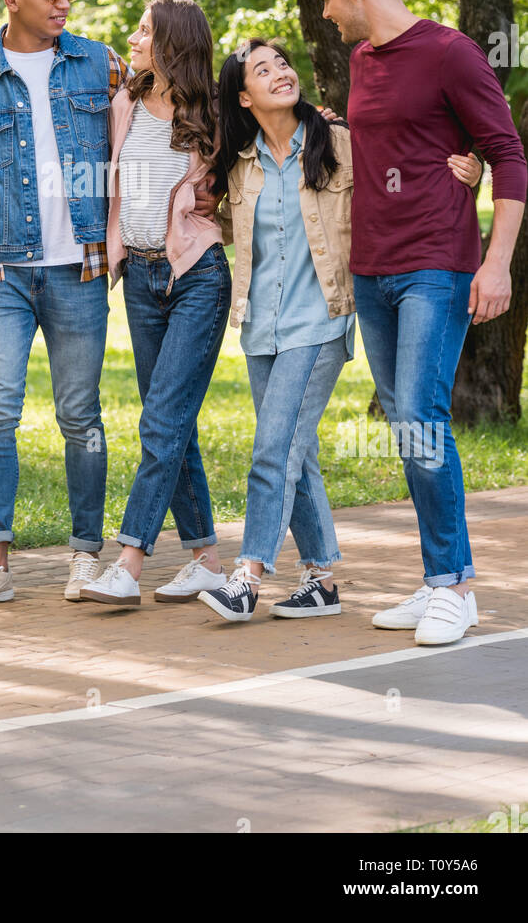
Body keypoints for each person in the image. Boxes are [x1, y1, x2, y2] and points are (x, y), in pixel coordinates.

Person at [198, 39, 482, 626]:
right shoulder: (239, 163)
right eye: (262, 69)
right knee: (297, 450)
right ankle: (321, 579)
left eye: (282, 62)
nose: (280, 72)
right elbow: (226, 225)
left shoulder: (341, 144)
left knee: (273, 449)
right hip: (261, 327)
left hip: (320, 320)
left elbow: (409, 173)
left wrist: (469, 170)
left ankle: (247, 575)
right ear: (244, 97)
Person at [313, 0, 527, 645]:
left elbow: (508, 156)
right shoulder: (360, 59)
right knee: (406, 422)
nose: (323, 13)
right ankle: (438, 577)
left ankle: (454, 586)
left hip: (436, 263)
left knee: (419, 419)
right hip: (372, 269)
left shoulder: (449, 53)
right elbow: (389, 146)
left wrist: (494, 263)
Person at [0, 0, 128, 606]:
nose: (63, 3)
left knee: (81, 416)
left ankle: (84, 557)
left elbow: (165, 118)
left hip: (78, 269)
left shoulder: (100, 64)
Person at [80, 0, 233, 607]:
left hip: (197, 277)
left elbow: (278, 135)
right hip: (141, 281)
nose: (133, 39)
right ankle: (206, 560)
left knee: (160, 422)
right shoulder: (124, 105)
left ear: (173, 44)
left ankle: (128, 563)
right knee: (174, 424)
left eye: (144, 31)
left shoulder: (215, 114)